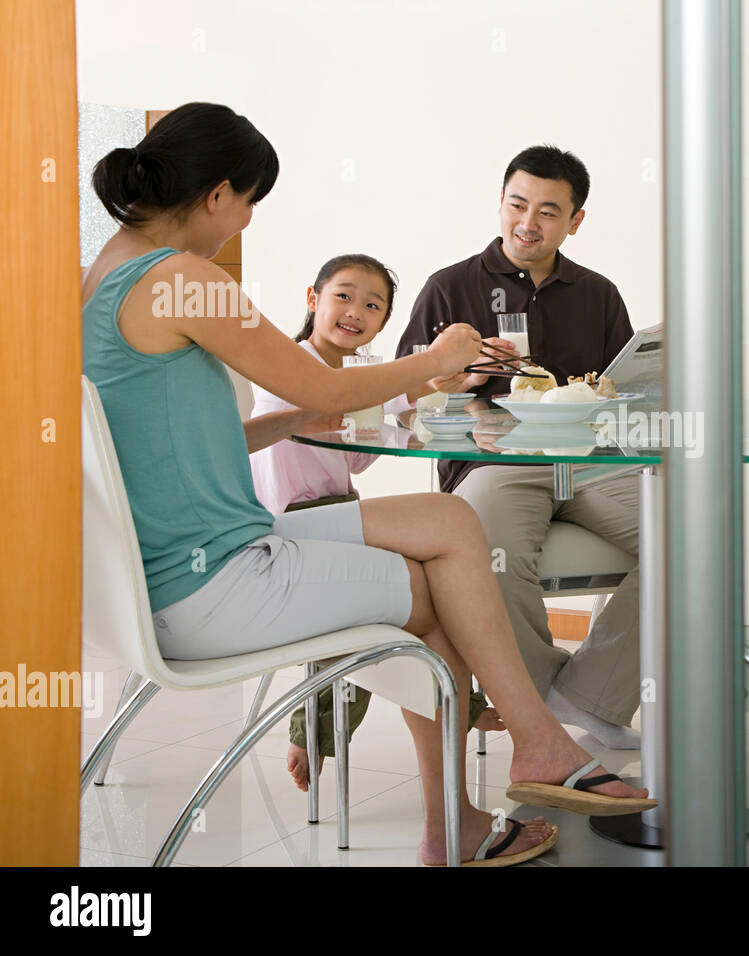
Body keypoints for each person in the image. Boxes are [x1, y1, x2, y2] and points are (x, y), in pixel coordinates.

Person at [81, 103, 653, 867]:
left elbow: (175, 436)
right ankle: (495, 788)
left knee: (449, 524)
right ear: (218, 193)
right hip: (209, 583)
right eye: (250, 202)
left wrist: (282, 425)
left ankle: (526, 751)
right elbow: (324, 391)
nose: (243, 223)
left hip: (195, 559)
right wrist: (434, 358)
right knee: (442, 589)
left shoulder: (104, 275)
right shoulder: (179, 279)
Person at [395, 146, 642, 750]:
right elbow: (401, 396)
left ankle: (592, 696)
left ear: (574, 221)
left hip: (589, 464)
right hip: (493, 463)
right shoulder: (450, 287)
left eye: (549, 212)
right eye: (517, 204)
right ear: (500, 202)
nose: (528, 223)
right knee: (488, 549)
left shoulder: (599, 294)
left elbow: (625, 390)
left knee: (698, 537)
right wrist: (460, 378)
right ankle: (535, 700)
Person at [245, 253, 503, 791]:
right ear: (313, 299)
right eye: (343, 295)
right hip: (289, 523)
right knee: (404, 575)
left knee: (417, 578)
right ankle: (318, 726)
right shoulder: (292, 364)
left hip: (335, 508)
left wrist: (434, 389)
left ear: (383, 322)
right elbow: (316, 407)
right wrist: (422, 379)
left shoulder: (352, 378)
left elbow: (354, 455)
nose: (356, 311)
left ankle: (456, 696)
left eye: (372, 305)